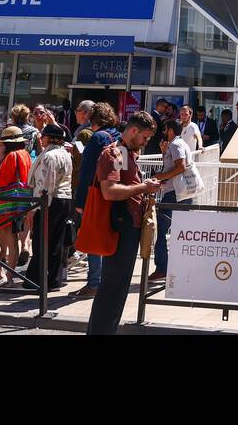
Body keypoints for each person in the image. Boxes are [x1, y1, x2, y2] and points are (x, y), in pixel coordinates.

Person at [87, 111, 162, 335]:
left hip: (125, 227)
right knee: (113, 288)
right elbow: (109, 192)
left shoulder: (125, 152)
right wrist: (144, 187)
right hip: (120, 228)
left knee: (116, 288)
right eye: (145, 137)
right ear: (133, 130)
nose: (147, 142)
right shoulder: (116, 152)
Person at [74, 102, 119, 299]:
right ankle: (104, 281)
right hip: (113, 190)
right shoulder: (116, 135)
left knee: (93, 237)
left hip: (95, 193)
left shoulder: (98, 137)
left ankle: (93, 283)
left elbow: (86, 171)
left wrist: (80, 200)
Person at [0, 126, 32, 288]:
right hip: (20, 203)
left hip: (5, 205)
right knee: (12, 240)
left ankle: (0, 275)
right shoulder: (25, 154)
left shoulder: (12, 156)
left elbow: (2, 182)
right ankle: (9, 277)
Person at [26, 123, 74, 289]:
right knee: (56, 242)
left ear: (52, 138)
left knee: (41, 240)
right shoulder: (66, 154)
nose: (41, 138)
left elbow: (45, 185)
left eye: (44, 135)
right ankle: (53, 279)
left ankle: (34, 280)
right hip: (65, 199)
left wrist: (35, 208)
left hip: (50, 201)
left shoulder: (49, 156)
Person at [147, 117, 190, 281]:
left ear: (171, 130)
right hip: (179, 193)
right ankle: (173, 268)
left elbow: (181, 166)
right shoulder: (178, 144)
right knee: (176, 233)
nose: (163, 132)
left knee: (162, 232)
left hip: (174, 194)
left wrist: (159, 177)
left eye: (165, 129)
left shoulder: (176, 144)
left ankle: (162, 268)